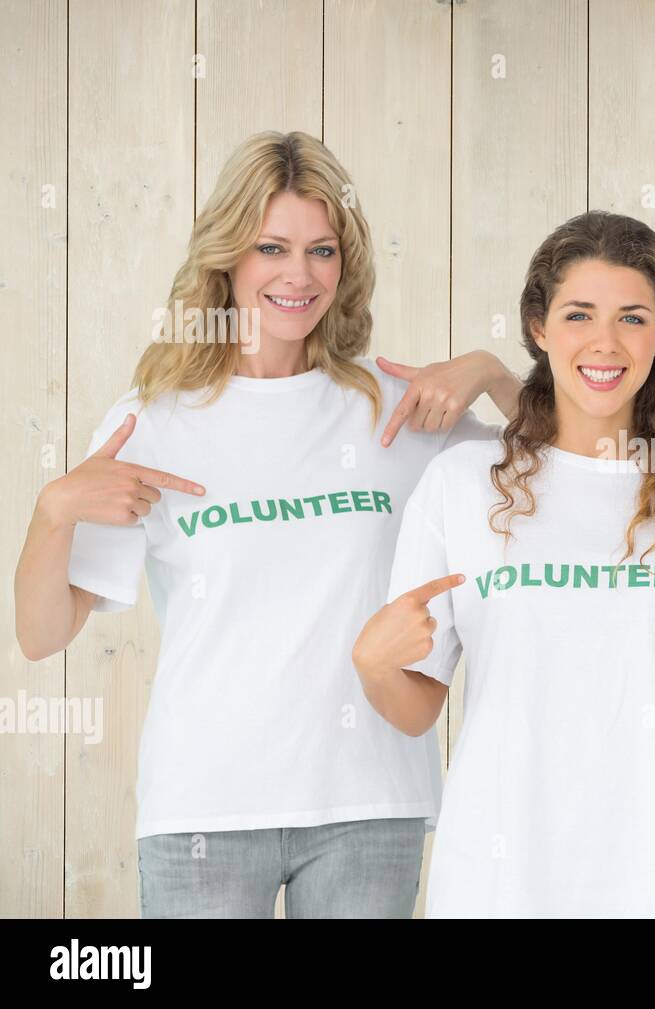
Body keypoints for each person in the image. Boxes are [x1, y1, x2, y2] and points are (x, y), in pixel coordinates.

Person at [14, 130, 522, 919]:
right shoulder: (149, 423)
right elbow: (42, 634)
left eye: (322, 250)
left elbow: (564, 466)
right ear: (229, 257)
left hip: (368, 804)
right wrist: (53, 511)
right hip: (203, 814)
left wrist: (492, 373)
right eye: (271, 247)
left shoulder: (397, 410)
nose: (298, 274)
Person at [352, 210, 655, 917]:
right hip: (498, 888)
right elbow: (418, 708)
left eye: (632, 318)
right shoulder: (463, 483)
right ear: (540, 329)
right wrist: (373, 664)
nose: (605, 342)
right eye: (579, 314)